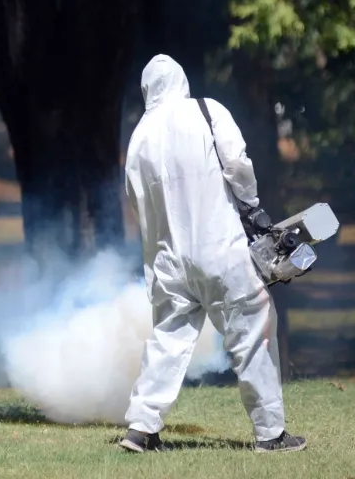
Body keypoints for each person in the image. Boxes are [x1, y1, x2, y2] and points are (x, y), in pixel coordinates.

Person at [118, 54, 306, 454]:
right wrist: (252, 204)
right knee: (253, 331)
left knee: (167, 340)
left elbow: (136, 202)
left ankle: (141, 428)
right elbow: (236, 162)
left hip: (167, 259)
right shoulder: (206, 111)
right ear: (182, 81)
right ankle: (271, 434)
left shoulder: (138, 137)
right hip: (219, 249)